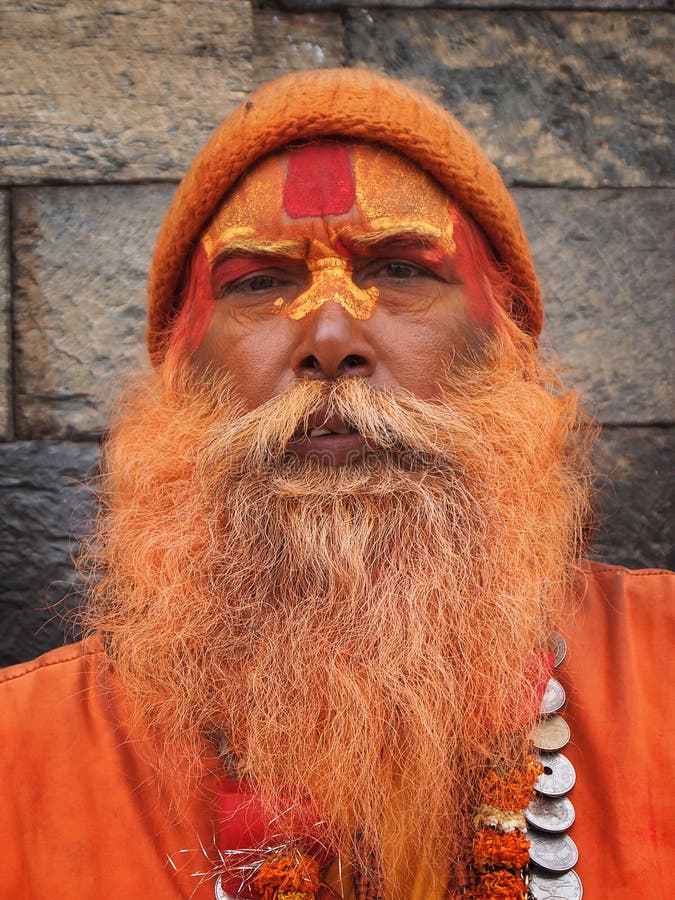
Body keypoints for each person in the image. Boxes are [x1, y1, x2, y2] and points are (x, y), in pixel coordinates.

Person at [0, 68, 672, 900]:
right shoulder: (20, 758)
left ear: (507, 347)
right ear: (178, 370)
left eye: (398, 267)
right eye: (257, 282)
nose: (328, 336)